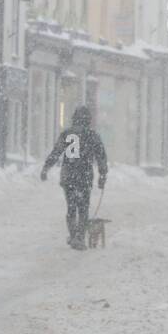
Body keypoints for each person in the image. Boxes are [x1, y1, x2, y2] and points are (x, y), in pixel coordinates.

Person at [40, 105, 107, 251]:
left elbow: (56, 152)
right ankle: (80, 238)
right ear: (88, 120)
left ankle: (72, 235)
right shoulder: (92, 135)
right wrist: (102, 175)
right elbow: (101, 157)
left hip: (68, 175)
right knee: (83, 207)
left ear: (74, 118)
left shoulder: (66, 134)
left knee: (71, 206)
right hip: (84, 175)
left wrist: (46, 168)